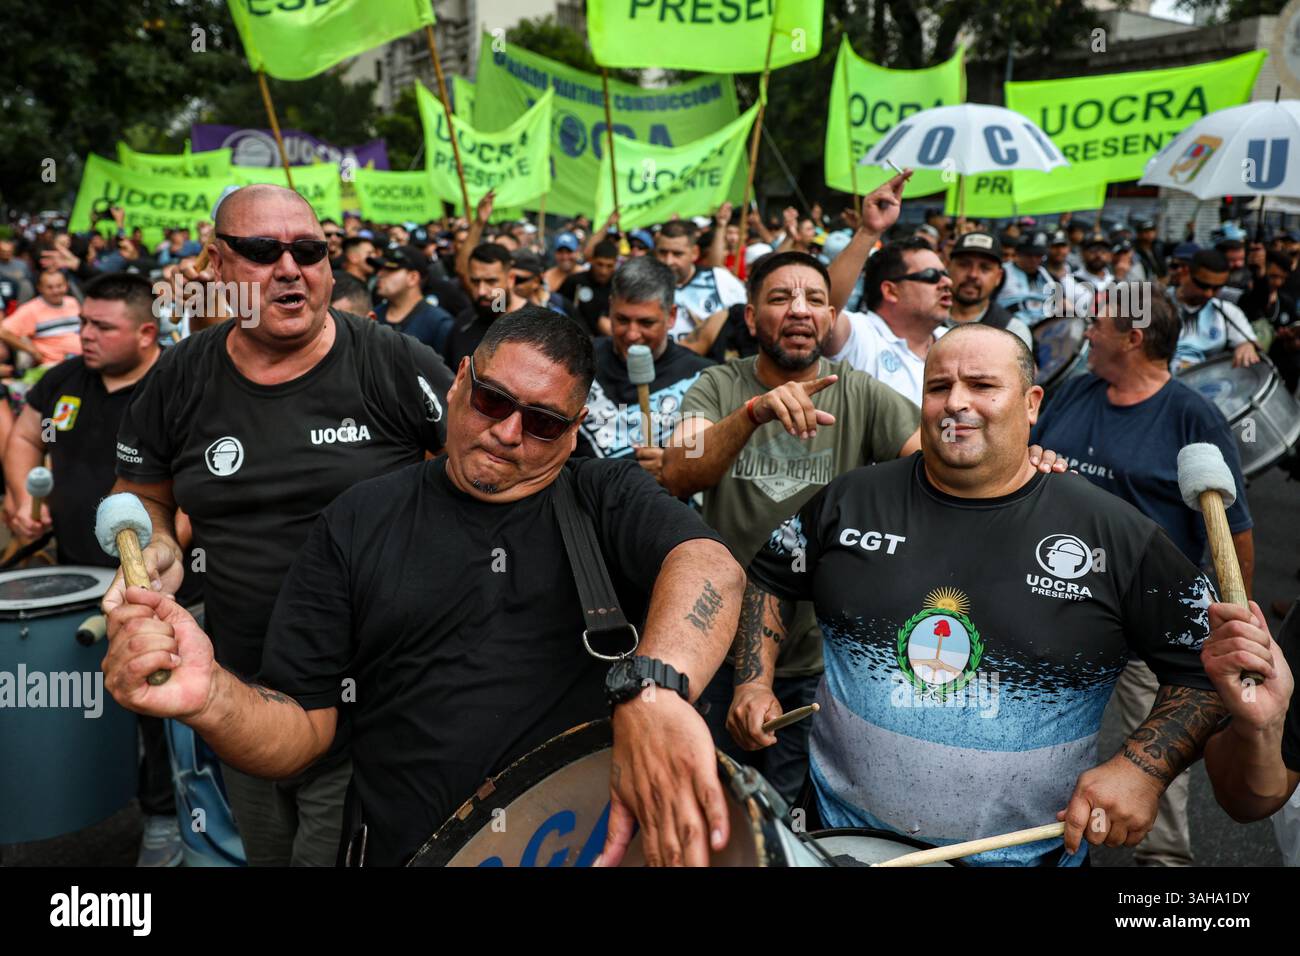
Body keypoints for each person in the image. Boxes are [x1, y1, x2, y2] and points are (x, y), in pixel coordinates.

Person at [103, 307, 747, 868]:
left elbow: (709, 565)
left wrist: (656, 689)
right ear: (460, 379)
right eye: (493, 399)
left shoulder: (600, 495)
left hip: (590, 846)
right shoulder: (358, 519)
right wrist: (210, 695)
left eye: (543, 422)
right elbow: (303, 728)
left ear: (576, 427)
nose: (507, 432)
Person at [733, 322, 1231, 865]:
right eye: (939, 386)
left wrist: (1142, 767)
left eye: (982, 386)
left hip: (1025, 858)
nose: (956, 404)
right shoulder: (851, 499)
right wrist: (753, 681)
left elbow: (1209, 664)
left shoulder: (1113, 532)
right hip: (839, 840)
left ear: (1032, 402)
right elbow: (770, 577)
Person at [102, 184, 455, 867]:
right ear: (214, 264)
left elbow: (481, 478)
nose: (290, 268)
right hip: (242, 697)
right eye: (263, 251)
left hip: (377, 708)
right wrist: (161, 548)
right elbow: (139, 492)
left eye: (310, 250)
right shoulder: (180, 377)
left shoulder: (393, 361)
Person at [661, 250, 924, 802]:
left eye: (815, 300)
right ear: (751, 317)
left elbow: (936, 466)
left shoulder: (862, 393)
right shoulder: (715, 386)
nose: (799, 310)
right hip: (714, 648)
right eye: (780, 298)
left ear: (831, 318)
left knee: (784, 817)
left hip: (818, 662)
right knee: (704, 805)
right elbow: (679, 473)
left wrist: (1023, 462)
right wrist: (753, 413)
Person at [1031, 284, 1254, 866]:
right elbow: (1030, 460)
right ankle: (1025, 844)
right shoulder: (1077, 391)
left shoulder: (1192, 415)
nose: (1086, 334)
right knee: (1033, 739)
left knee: (1156, 759)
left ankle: (1164, 869)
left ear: (1132, 338)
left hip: (1147, 623)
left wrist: (1237, 629)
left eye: (1098, 325)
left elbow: (1233, 531)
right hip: (1054, 608)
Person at [1, 271, 182, 867]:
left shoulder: (175, 383)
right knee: (92, 705)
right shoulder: (63, 382)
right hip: (74, 583)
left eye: (102, 325)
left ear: (148, 332)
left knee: (158, 710)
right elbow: (28, 436)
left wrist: (160, 554)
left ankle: (163, 820)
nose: (84, 335)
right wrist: (21, 500)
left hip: (159, 589)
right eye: (82, 321)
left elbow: (196, 496)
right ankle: (80, 802)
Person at [574, 256, 713, 478]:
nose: (632, 334)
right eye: (621, 320)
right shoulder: (577, 359)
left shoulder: (704, 377)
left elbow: (710, 464)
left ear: (672, 316)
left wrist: (676, 466)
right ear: (610, 308)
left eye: (646, 323)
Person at [826, 237, 950, 407]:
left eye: (945, 274)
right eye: (931, 275)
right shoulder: (859, 335)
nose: (947, 283)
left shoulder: (954, 341)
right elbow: (823, 311)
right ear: (891, 291)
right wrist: (869, 232)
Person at [655, 220, 747, 343]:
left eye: (677, 254)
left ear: (694, 253)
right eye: (663, 252)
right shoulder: (641, 284)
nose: (668, 261)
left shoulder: (719, 279)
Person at [1170, 249, 1259, 372]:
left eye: (1216, 288)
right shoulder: (1152, 304)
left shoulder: (1228, 312)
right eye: (1202, 285)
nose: (1208, 294)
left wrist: (1246, 346)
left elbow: (1247, 342)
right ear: (1186, 273)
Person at [441, 243, 526, 369]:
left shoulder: (537, 325)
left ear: (511, 279)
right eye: (475, 281)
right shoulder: (464, 322)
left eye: (491, 281)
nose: (481, 291)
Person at [943, 231, 1032, 349]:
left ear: (998, 277)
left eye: (985, 268)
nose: (973, 274)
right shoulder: (924, 320)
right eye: (964, 265)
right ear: (948, 267)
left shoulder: (1012, 332)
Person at [372, 245, 454, 352]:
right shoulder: (374, 315)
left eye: (390, 269)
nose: (379, 274)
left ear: (413, 278)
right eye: (380, 269)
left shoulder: (439, 324)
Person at [1243, 250, 1300, 393]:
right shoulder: (1246, 300)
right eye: (1272, 276)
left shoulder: (1286, 302)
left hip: (1278, 372)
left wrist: (1290, 341)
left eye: (1282, 278)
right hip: (1249, 370)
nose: (1277, 282)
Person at [0, 269, 81, 366]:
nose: (55, 291)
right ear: (40, 288)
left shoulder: (72, 302)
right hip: (54, 365)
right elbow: (2, 332)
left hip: (80, 360)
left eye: (59, 286)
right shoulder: (31, 309)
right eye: (49, 287)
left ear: (66, 285)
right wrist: (31, 350)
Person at [561, 239, 619, 337]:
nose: (603, 271)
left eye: (609, 266)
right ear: (592, 260)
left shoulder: (619, 286)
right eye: (600, 264)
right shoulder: (575, 281)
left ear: (615, 264)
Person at [511, 251, 572, 317]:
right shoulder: (502, 306)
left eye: (518, 280)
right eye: (507, 279)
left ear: (536, 281)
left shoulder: (556, 308)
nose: (510, 285)